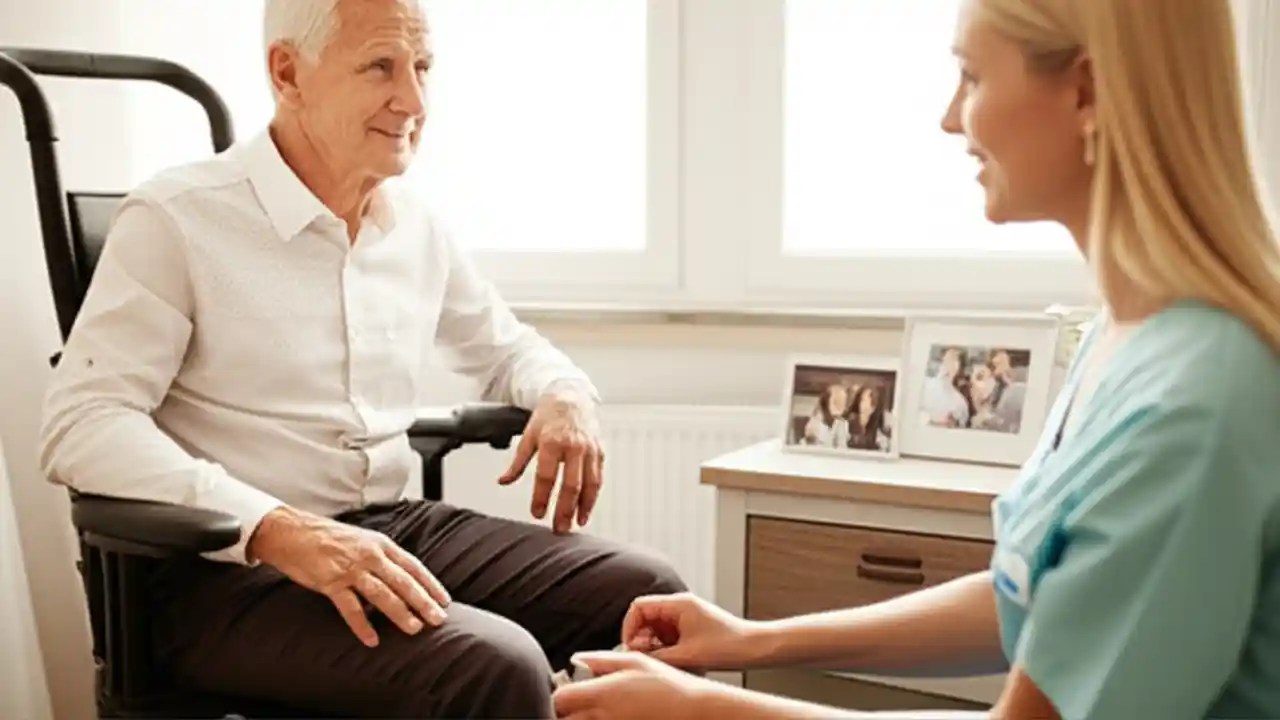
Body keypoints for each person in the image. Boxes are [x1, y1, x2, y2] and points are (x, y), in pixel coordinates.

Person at [552, 0, 1280, 718]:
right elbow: (1024, 602)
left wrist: (703, 712)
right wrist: (755, 641)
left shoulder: (1194, 406)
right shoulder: (1123, 337)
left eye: (972, 76)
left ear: (1086, 91)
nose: (950, 116)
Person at [37, 0, 684, 717]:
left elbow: (507, 348)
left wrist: (565, 394)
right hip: (223, 573)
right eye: (381, 65)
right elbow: (82, 425)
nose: (414, 99)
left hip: (385, 526)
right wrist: (277, 528)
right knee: (497, 668)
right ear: (288, 73)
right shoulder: (176, 219)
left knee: (651, 601)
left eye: (423, 67)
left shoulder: (411, 224)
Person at [802, 383, 851, 448]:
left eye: (843, 402)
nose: (840, 406)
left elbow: (842, 448)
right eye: (836, 401)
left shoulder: (842, 424)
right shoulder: (815, 422)